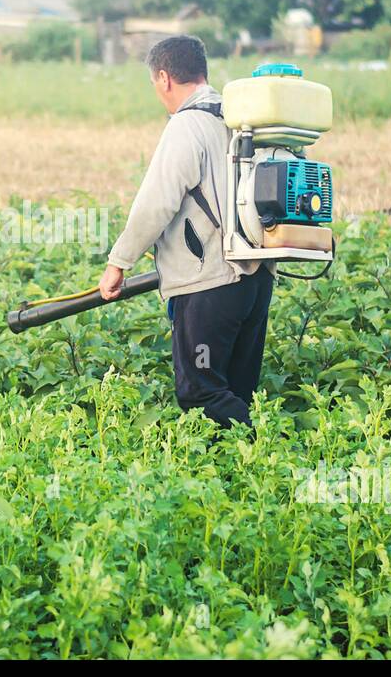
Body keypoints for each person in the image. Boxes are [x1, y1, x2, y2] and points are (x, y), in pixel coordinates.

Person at [98, 35, 274, 430]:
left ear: (163, 78)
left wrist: (118, 262)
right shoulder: (243, 120)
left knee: (199, 391)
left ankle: (280, 446)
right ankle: (242, 478)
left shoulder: (187, 125)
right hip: (257, 277)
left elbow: (156, 203)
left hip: (209, 281)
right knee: (236, 391)